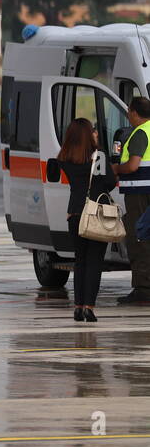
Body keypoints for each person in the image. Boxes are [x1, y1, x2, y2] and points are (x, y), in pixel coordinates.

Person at [52, 118, 117, 322]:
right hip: (95, 213)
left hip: (74, 214)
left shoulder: (65, 157)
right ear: (88, 135)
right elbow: (109, 183)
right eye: (93, 131)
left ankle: (78, 306)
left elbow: (52, 172)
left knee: (79, 261)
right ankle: (89, 306)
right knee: (94, 262)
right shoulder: (99, 157)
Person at [114, 96, 150, 304]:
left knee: (139, 238)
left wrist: (116, 169)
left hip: (139, 194)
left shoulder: (139, 134)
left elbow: (133, 166)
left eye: (129, 112)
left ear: (135, 113)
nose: (128, 115)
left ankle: (143, 289)